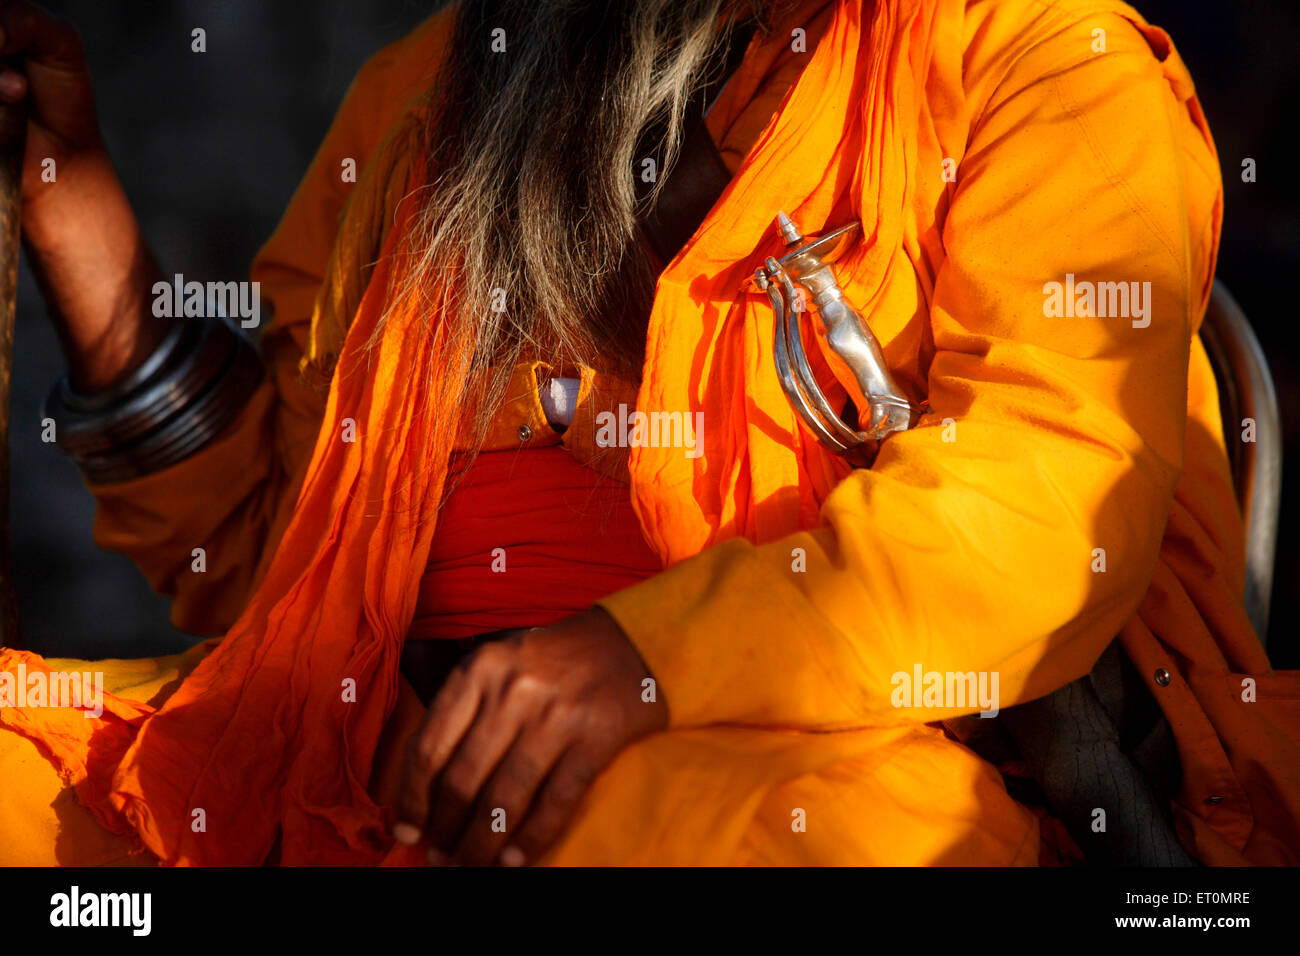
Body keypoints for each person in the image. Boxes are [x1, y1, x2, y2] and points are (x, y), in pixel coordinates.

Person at [1, 0, 1297, 867]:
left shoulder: (1035, 63)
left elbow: (1043, 513)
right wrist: (74, 207)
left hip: (829, 775)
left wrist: (643, 660)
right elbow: (268, 583)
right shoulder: (436, 85)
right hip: (378, 783)